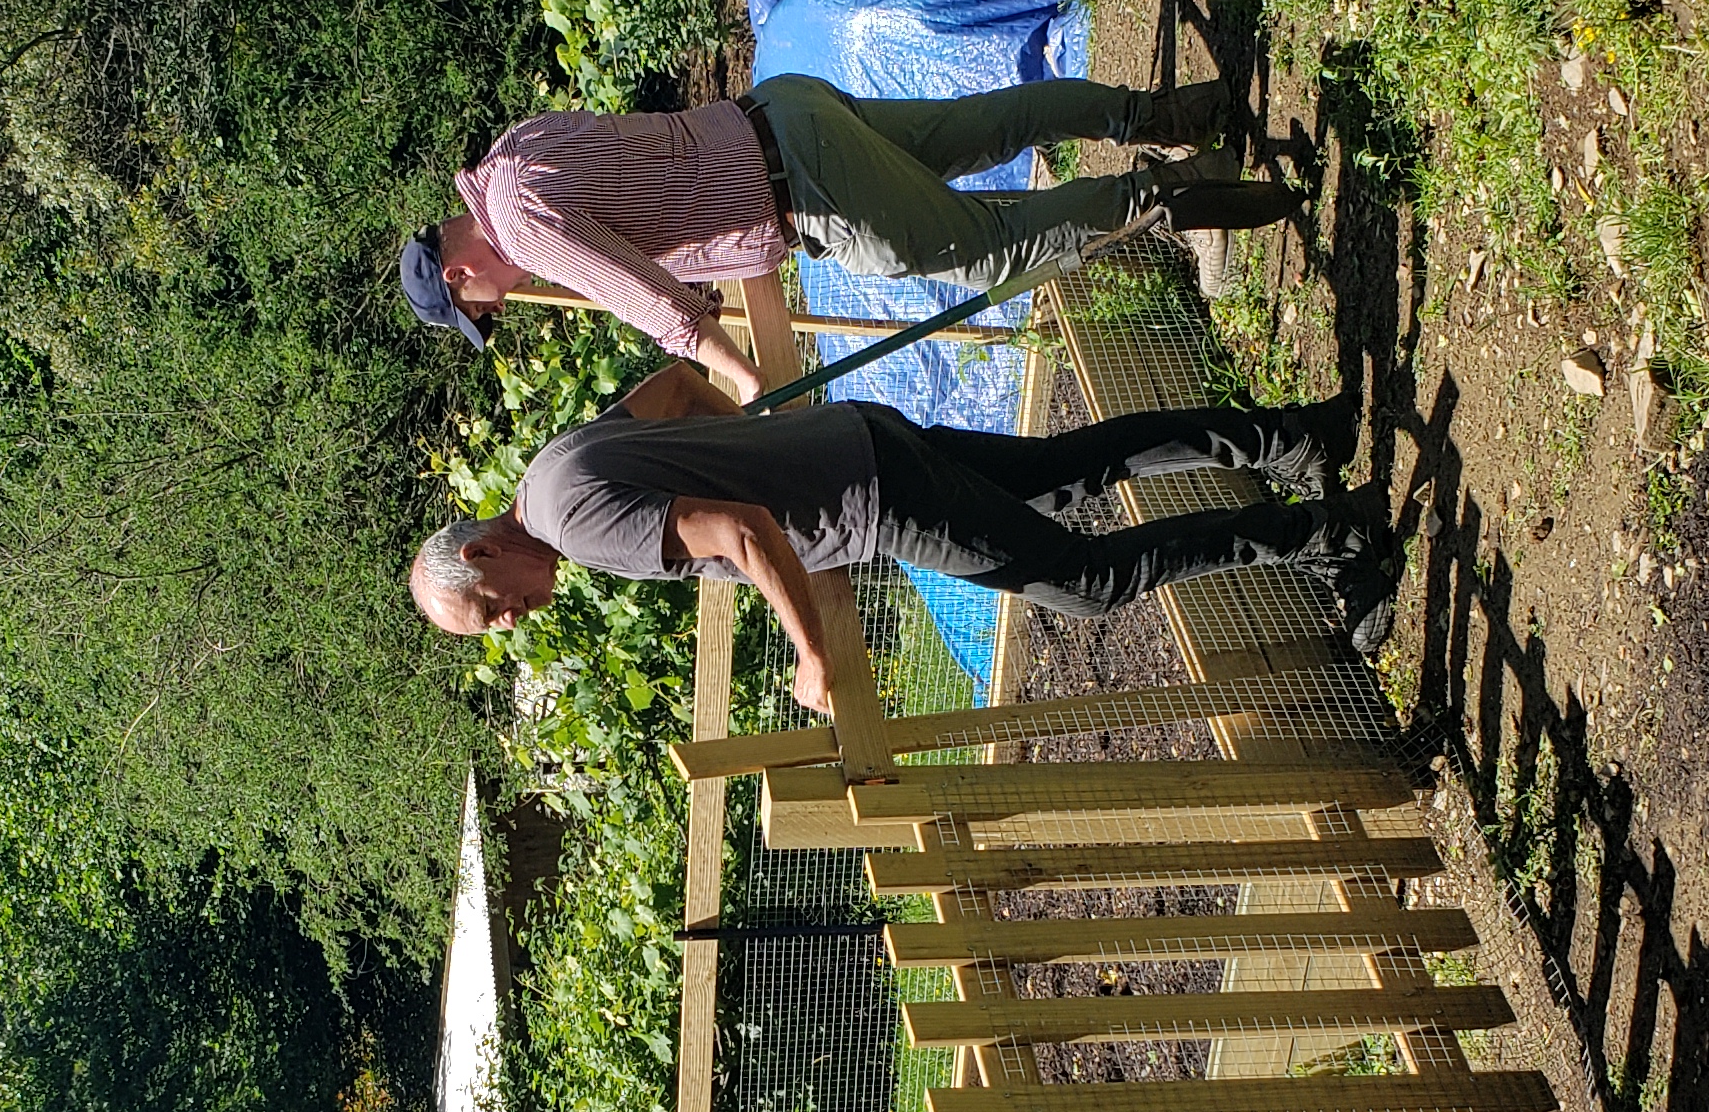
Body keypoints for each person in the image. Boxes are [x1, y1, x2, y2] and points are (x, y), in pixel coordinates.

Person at [406, 363, 1388, 717]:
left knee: (1089, 583)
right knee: (1068, 467)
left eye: (492, 611)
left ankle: (1327, 535)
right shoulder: (550, 471)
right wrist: (759, 448)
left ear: (482, 554)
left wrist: (810, 651)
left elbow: (742, 531)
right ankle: (1294, 439)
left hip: (872, 499)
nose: (513, 621)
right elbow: (672, 390)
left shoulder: (579, 529)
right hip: (857, 438)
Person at [398, 75, 1302, 402]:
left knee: (986, 250)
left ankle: (1171, 192)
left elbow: (655, 306)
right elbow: (658, 187)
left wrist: (746, 380)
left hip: (807, 190)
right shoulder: (515, 150)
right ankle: (1168, 114)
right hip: (783, 112)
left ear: (461, 272)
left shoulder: (523, 227)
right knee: (977, 128)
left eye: (483, 308)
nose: (502, 305)